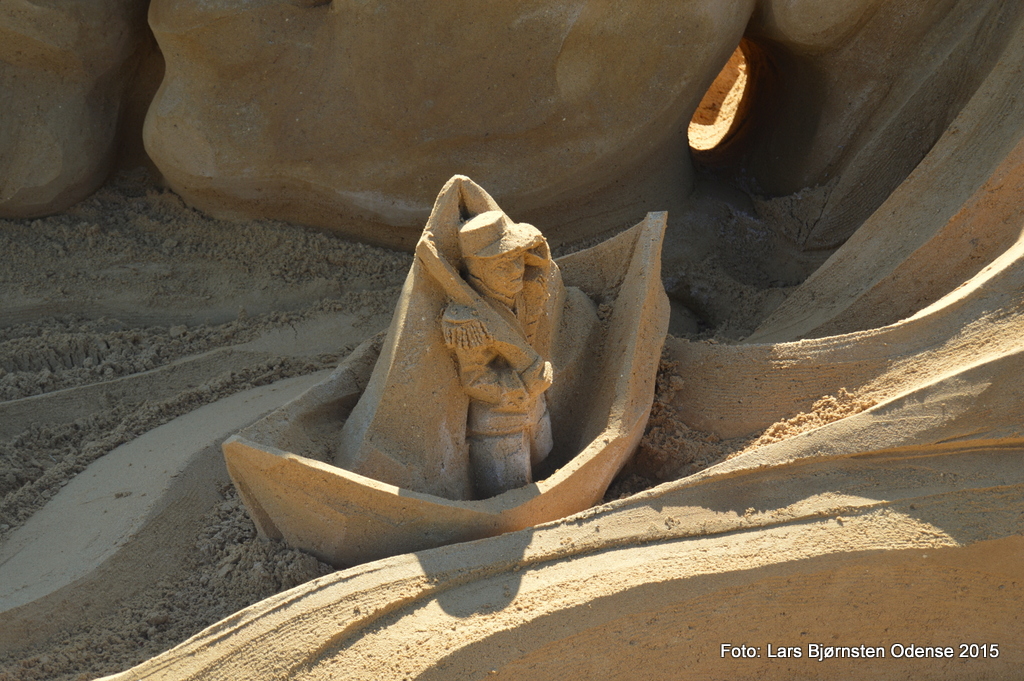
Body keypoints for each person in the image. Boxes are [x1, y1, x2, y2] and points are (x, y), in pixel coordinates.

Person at [442, 210, 555, 497]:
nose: (516, 269)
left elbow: (541, 261)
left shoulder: (526, 291)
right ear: (476, 269)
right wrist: (523, 386)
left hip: (536, 406)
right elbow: (474, 379)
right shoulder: (464, 320)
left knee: (548, 464)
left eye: (517, 257)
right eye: (502, 264)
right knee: (511, 496)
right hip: (498, 425)